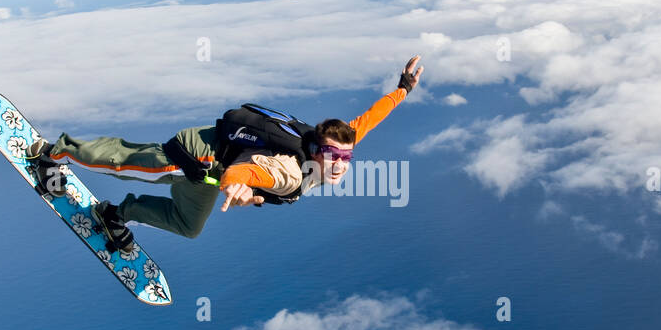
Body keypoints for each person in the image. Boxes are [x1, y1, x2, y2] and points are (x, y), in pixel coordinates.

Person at [26, 56, 424, 251]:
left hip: (211, 174)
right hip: (198, 157)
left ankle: (113, 215)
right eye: (333, 155)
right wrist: (236, 186)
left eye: (346, 158)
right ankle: (51, 152)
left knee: (187, 225)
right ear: (317, 150)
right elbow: (253, 173)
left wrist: (403, 88)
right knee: (121, 162)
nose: (340, 164)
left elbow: (371, 118)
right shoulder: (290, 171)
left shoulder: (336, 146)